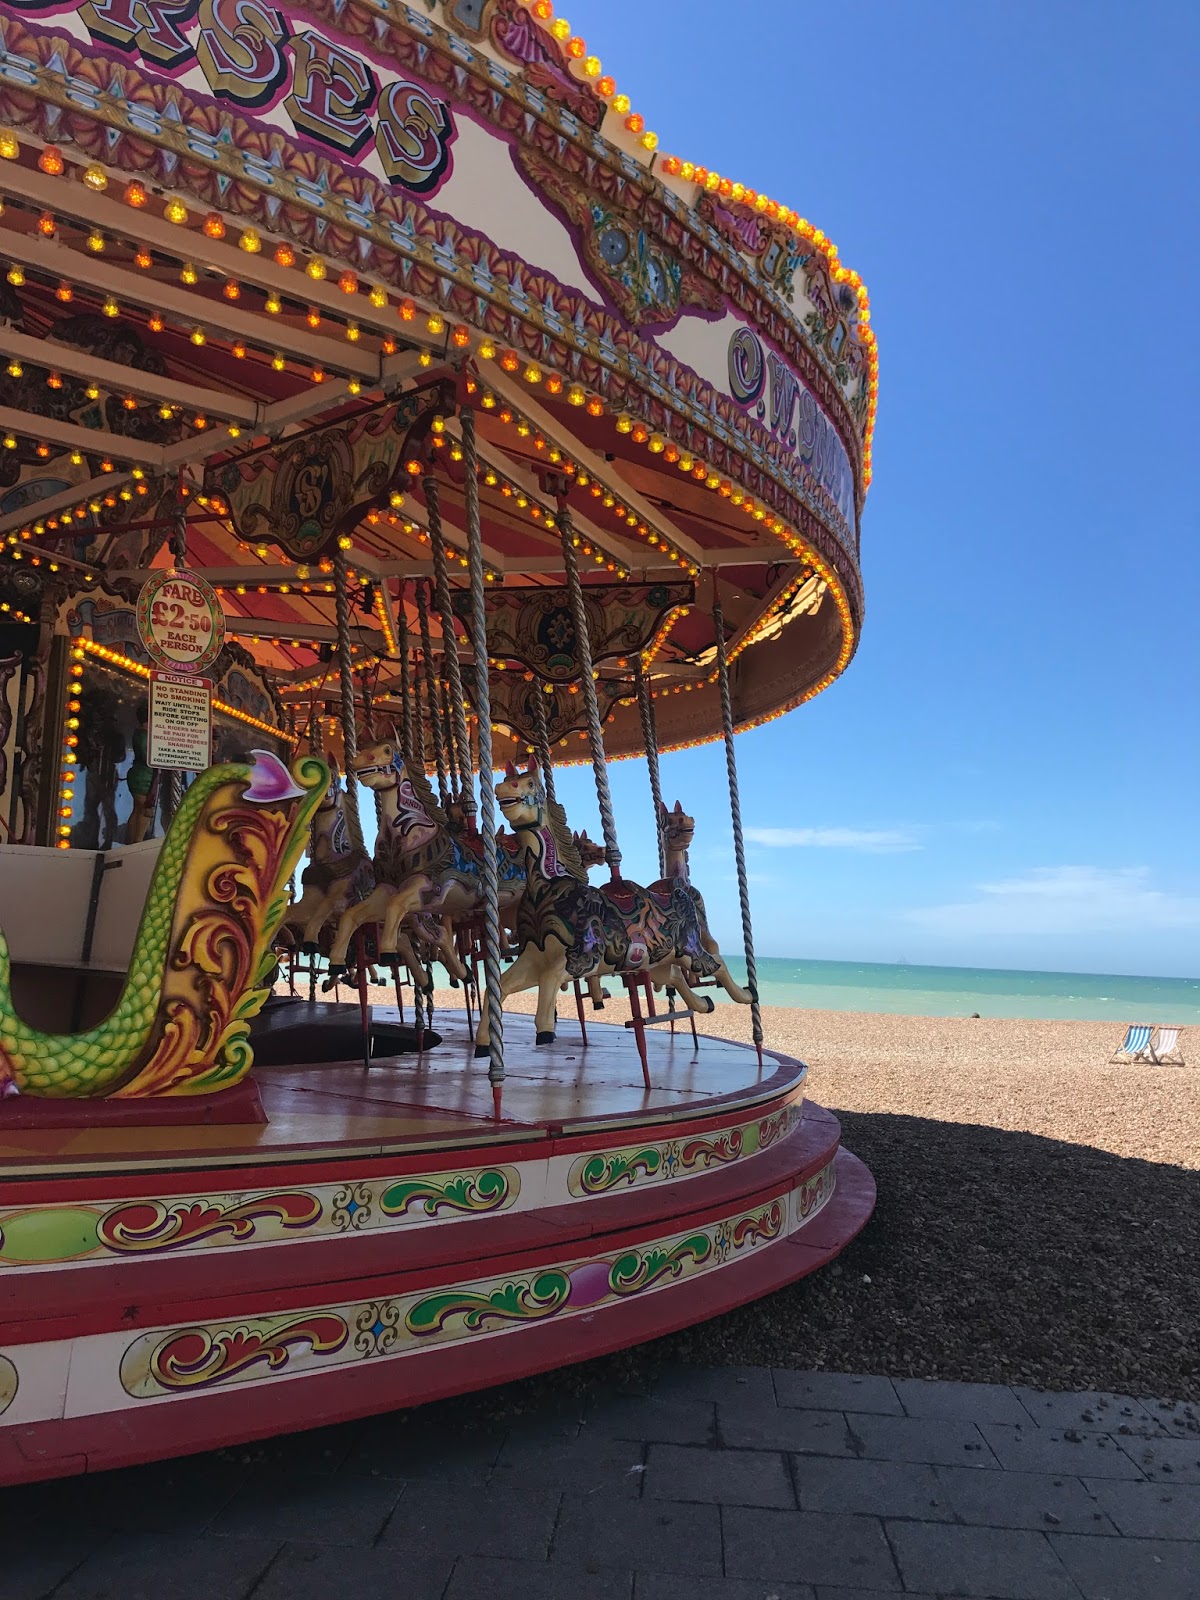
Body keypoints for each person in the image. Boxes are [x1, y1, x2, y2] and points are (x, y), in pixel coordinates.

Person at [125, 700, 157, 844]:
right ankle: (137, 842)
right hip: (144, 776)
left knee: (138, 809)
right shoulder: (143, 735)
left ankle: (133, 841)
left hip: (142, 774)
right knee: (145, 809)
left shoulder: (141, 734)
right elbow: (147, 757)